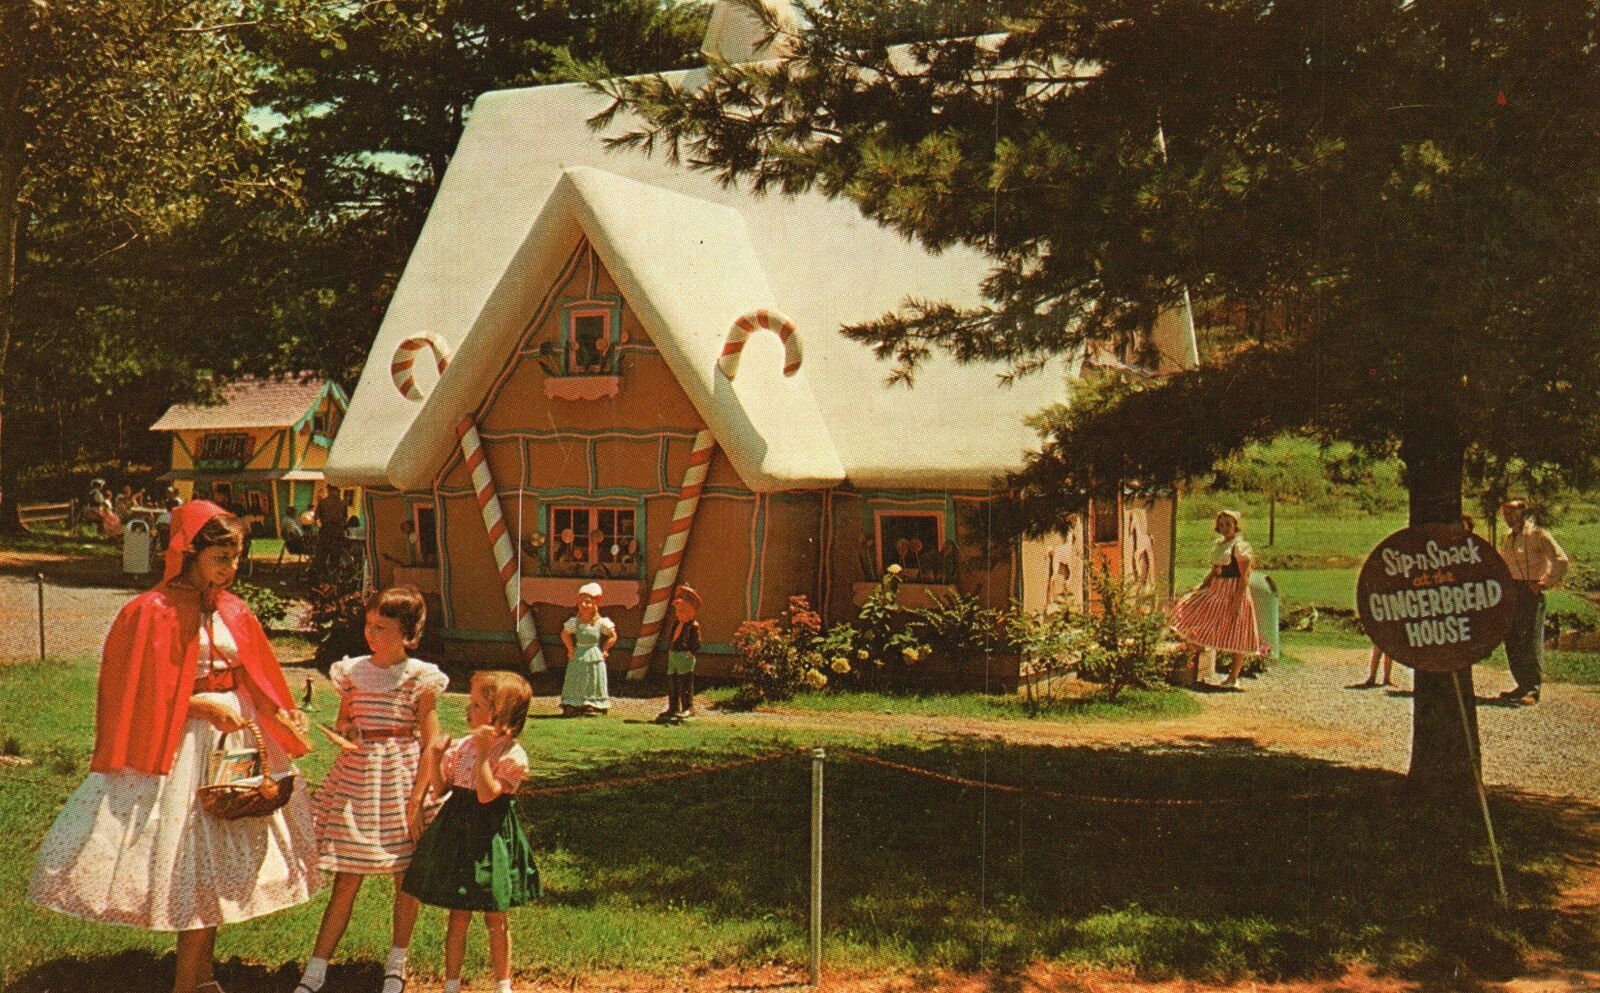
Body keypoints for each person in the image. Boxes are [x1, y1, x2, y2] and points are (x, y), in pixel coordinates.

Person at [28, 500, 321, 993]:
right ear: (189, 553)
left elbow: (257, 674)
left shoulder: (233, 609)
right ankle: (190, 982)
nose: (230, 570)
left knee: (222, 847)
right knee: (185, 852)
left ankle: (200, 977)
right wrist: (199, 704)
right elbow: (136, 690)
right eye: (220, 559)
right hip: (176, 746)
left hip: (232, 741)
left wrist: (281, 714)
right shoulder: (149, 612)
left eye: (236, 558)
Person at [295, 586, 446, 993]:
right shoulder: (353, 671)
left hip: (399, 778)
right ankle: (316, 968)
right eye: (369, 625)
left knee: (404, 875)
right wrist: (345, 732)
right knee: (347, 877)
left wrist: (418, 801)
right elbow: (347, 720)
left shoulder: (420, 678)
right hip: (358, 778)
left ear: (408, 636)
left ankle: (396, 963)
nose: (372, 634)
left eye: (382, 628)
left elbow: (432, 741)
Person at [402, 671, 540, 993]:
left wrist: (482, 754)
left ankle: (503, 985)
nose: (468, 709)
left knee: (495, 915)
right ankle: (451, 984)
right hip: (458, 834)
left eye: (477, 704)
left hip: (491, 838)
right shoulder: (463, 747)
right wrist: (436, 757)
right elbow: (441, 788)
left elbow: (486, 794)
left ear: (499, 716)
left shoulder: (511, 756)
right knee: (458, 914)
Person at [1169, 509, 1266, 689]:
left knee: (1237, 632)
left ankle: (1233, 677)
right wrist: (1200, 587)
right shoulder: (1220, 545)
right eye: (1221, 525)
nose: (1225, 528)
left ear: (1236, 526)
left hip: (1234, 591)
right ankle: (1193, 659)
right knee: (1193, 611)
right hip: (1217, 590)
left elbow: (1245, 575)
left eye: (1229, 524)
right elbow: (1214, 572)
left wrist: (1237, 601)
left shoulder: (1240, 546)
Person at [1498, 500, 1569, 706]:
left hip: (1530, 591)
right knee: (1512, 638)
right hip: (1511, 591)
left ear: (1523, 512)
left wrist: (1544, 583)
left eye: (1512, 512)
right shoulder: (1507, 538)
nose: (1508, 517)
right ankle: (1521, 684)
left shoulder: (1538, 535)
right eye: (1505, 513)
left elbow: (1561, 560)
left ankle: (1533, 689)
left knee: (1530, 639)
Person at [559, 582, 617, 716]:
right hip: (579, 653)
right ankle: (573, 703)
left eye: (587, 602)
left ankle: (593, 704)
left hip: (594, 653)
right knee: (576, 676)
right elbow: (564, 634)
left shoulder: (600, 622)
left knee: (593, 677)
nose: (583, 606)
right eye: (580, 603)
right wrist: (570, 649)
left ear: (595, 604)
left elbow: (613, 635)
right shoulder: (575, 622)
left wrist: (605, 649)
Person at [657, 584, 702, 723]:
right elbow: (672, 637)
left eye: (682, 611)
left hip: (684, 656)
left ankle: (688, 707)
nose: (679, 614)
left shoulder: (693, 626)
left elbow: (697, 641)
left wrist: (691, 651)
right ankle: (673, 707)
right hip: (674, 654)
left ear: (691, 612)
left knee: (685, 683)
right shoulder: (677, 623)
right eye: (678, 611)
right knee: (673, 682)